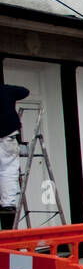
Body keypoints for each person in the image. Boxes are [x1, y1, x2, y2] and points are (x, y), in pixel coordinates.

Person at [0, 82, 31, 216]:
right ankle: (7, 204)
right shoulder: (5, 90)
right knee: (8, 169)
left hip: (7, 136)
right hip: (7, 136)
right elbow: (24, 91)